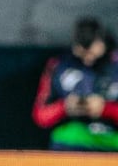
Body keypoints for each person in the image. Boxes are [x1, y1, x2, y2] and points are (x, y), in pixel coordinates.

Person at [32, 17, 118, 151]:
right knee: (64, 136)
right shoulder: (59, 66)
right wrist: (65, 107)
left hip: (111, 138)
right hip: (73, 139)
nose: (88, 59)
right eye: (83, 54)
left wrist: (105, 109)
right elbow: (41, 116)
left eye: (92, 53)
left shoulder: (115, 65)